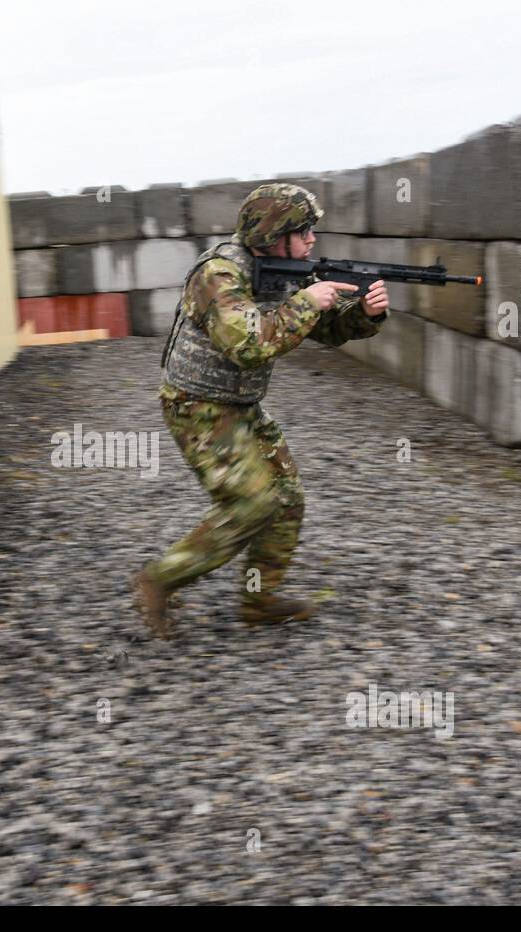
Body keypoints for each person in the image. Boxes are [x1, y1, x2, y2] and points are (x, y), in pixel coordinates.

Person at [134, 183, 390, 638]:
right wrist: (308, 301)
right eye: (304, 230)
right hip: (196, 406)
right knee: (252, 502)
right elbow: (249, 346)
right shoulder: (218, 275)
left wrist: (363, 313)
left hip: (239, 404)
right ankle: (159, 580)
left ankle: (259, 600)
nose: (313, 239)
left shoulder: (284, 270)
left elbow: (325, 330)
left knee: (287, 499)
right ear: (275, 233)